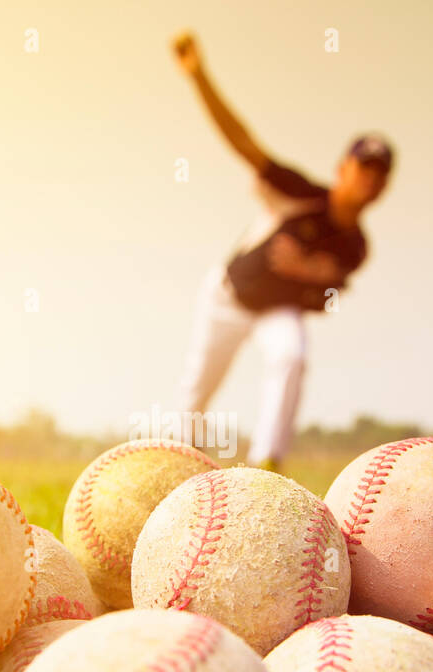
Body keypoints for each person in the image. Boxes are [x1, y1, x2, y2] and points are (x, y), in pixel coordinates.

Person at [172, 31, 394, 471]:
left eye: (379, 174)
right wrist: (199, 77)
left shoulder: (356, 247)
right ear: (342, 169)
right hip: (228, 297)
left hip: (277, 309)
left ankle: (268, 462)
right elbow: (243, 143)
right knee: (197, 389)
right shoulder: (300, 193)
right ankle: (172, 462)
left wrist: (317, 278)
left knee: (291, 354)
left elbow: (326, 298)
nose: (369, 179)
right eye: (363, 168)